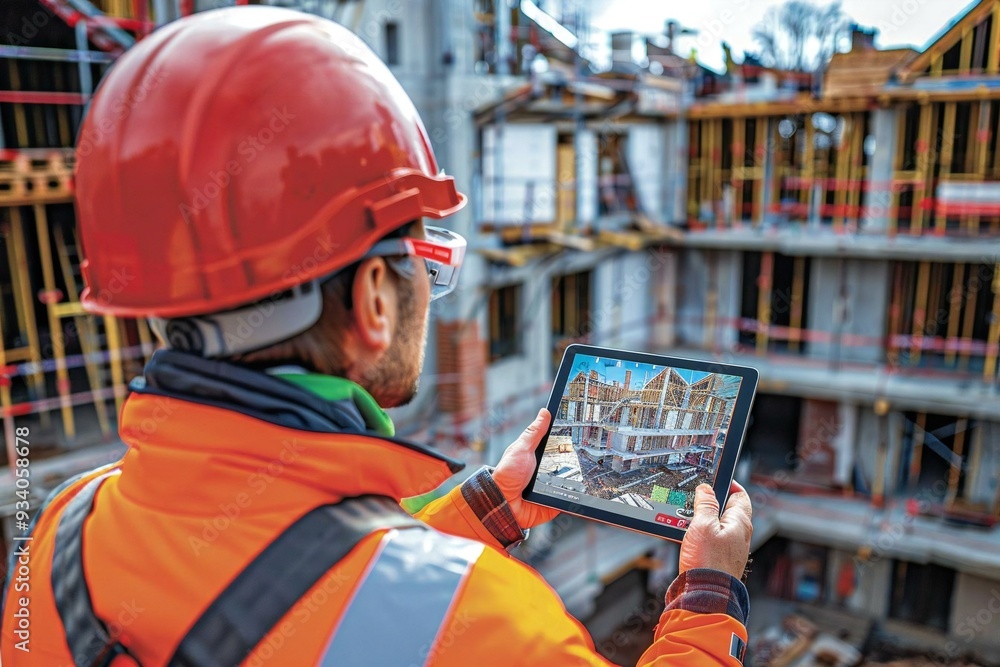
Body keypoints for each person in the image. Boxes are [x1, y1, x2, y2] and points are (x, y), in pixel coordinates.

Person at [1, 7, 753, 666]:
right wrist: (708, 598)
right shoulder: (495, 625)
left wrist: (489, 504)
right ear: (371, 302)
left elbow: (318, 579)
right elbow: (365, 601)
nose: (430, 291)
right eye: (428, 264)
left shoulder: (62, 530)